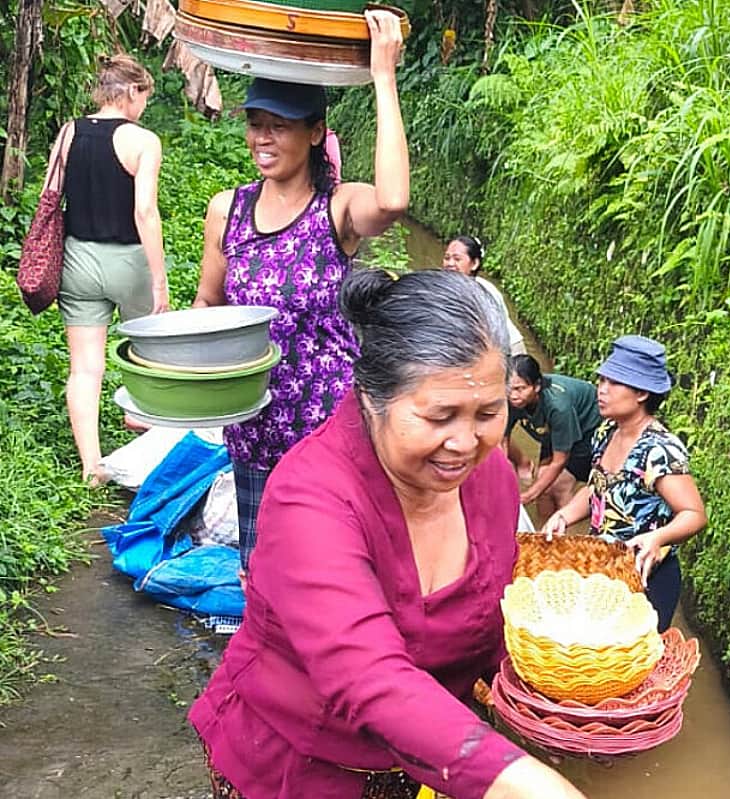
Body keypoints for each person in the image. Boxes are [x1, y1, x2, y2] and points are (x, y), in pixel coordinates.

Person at [189, 268, 588, 799]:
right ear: (372, 397)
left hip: (432, 761)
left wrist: (565, 696)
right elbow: (368, 677)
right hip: (302, 767)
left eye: (489, 413)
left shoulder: (490, 478)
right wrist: (530, 784)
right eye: (440, 416)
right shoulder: (309, 501)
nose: (465, 442)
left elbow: (498, 624)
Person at [192, 10, 410, 573]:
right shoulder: (228, 210)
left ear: (315, 133)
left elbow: (393, 200)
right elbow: (209, 306)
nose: (262, 138)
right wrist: (175, 386)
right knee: (260, 575)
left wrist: (383, 77)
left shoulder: (336, 210)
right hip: (253, 427)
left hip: (328, 434)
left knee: (330, 573)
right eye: (255, 122)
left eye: (279, 124)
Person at [53, 54, 169, 485]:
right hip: (129, 262)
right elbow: (145, 212)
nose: (144, 109)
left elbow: (51, 198)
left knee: (84, 368)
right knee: (147, 358)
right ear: (131, 92)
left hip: (77, 259)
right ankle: (141, 431)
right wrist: (159, 280)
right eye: (144, 98)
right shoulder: (142, 141)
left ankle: (91, 467)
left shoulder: (69, 133)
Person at [543, 336, 707, 633]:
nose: (601, 390)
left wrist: (658, 538)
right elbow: (597, 488)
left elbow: (694, 514)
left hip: (645, 580)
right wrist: (565, 514)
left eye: (613, 383)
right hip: (603, 570)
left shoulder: (659, 451)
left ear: (642, 393)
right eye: (601, 380)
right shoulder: (606, 433)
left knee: (632, 668)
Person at [505, 354, 601, 518]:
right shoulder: (512, 401)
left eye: (520, 389)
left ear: (536, 387)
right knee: (542, 482)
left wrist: (528, 495)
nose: (513, 395)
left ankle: (566, 537)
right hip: (552, 429)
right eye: (509, 389)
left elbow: (559, 461)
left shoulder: (558, 406)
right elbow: (502, 442)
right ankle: (541, 535)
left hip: (586, 429)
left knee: (559, 485)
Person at [442, 234, 526, 355]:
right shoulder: (445, 289)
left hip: (509, 351)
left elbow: (494, 335)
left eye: (457, 259)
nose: (450, 263)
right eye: (447, 258)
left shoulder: (484, 292)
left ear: (474, 264)